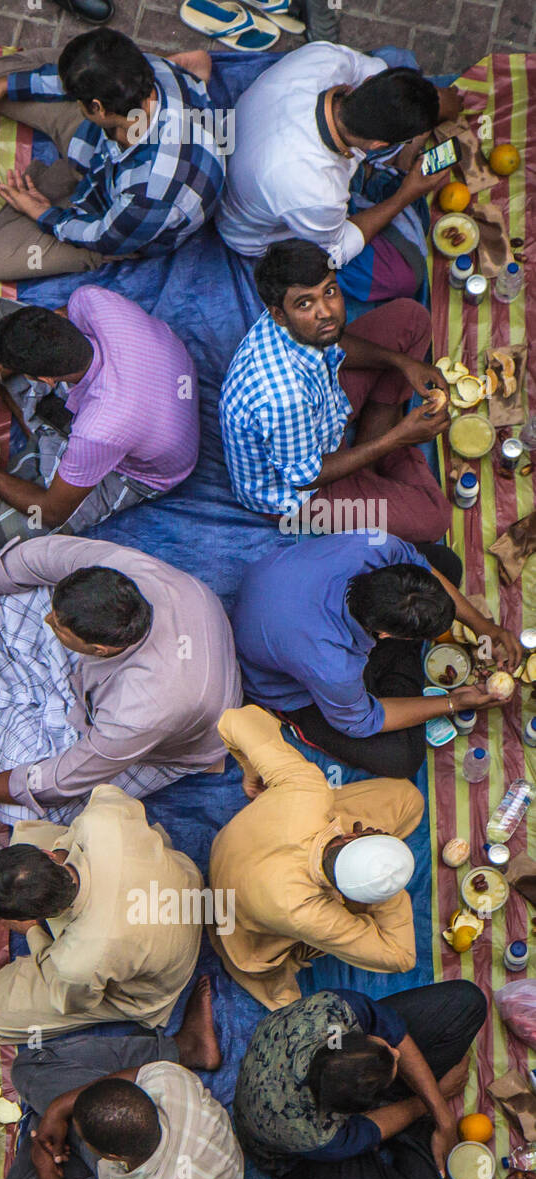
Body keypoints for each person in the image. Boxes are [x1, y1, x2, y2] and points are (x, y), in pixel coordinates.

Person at [0, 536, 240, 826]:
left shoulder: (141, 711)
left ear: (99, 650)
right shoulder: (121, 571)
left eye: (59, 627)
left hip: (166, 743)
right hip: (136, 680)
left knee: (20, 813)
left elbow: (61, 779)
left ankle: (31, 697)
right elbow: (27, 558)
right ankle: (34, 696)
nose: (49, 620)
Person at [0, 979, 241, 1179]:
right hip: (187, 1165)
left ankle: (49, 1151)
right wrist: (57, 1108)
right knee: (30, 1066)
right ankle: (187, 1047)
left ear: (111, 1158)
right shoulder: (174, 1085)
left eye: (83, 1136)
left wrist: (48, 1176)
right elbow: (141, 1074)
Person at [232, 531, 519, 779]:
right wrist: (454, 701)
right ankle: (397, 675)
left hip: (280, 590)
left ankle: (402, 667)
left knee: (444, 563)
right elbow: (365, 721)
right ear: (386, 636)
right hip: (287, 685)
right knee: (403, 757)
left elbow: (420, 564)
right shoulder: (333, 666)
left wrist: (484, 627)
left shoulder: (373, 547)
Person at [220, 239, 451, 546]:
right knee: (433, 518)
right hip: (300, 494)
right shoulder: (283, 399)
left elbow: (333, 343)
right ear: (278, 314)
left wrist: (403, 363)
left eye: (329, 292)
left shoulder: (302, 326)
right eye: (305, 303)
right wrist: (399, 437)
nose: (325, 312)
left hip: (323, 415)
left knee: (411, 318)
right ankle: (384, 454)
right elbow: (307, 477)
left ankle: (372, 455)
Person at [0, 288, 199, 554]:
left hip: (139, 469)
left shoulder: (98, 429)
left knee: (1, 529)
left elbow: (52, 511)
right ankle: (47, 436)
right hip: (153, 390)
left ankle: (46, 437)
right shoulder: (91, 299)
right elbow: (60, 316)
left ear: (48, 381)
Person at [234, 982, 487, 1179]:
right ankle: (411, 1128)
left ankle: (407, 1112)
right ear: (355, 1112)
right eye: (391, 1060)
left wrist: (444, 1118)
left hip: (327, 1095)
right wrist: (433, 1099)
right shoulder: (317, 1134)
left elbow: (395, 1036)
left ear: (343, 1040)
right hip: (297, 1157)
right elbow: (367, 1128)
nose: (397, 1052)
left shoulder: (330, 1012)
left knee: (468, 1001)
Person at [0, 31, 224, 281]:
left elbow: (102, 237)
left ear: (96, 107)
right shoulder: (152, 70)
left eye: (77, 98)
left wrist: (41, 212)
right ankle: (63, 163)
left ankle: (56, 183)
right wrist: (4, 85)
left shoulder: (150, 195)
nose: (73, 100)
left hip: (113, 217)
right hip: (101, 144)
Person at [210, 705, 422, 1010]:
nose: (376, 829)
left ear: (350, 835)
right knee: (284, 1000)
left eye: (373, 833)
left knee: (408, 799)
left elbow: (233, 718)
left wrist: (251, 769)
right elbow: (401, 957)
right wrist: (389, 890)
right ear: (345, 896)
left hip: (229, 846)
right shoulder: (309, 914)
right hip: (233, 925)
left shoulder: (308, 789)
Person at [217, 44, 463, 301]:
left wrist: (434, 102)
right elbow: (336, 250)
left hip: (257, 159)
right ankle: (394, 168)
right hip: (254, 230)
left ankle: (393, 160)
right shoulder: (316, 189)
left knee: (397, 63)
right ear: (378, 146)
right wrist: (406, 194)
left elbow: (377, 72)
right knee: (402, 276)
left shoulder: (324, 58)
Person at [0, 784, 203, 1041]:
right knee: (25, 835)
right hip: (187, 888)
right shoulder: (101, 820)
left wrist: (32, 933)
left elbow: (74, 1001)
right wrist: (65, 850)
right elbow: (108, 793)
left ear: (39, 915)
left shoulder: (79, 962)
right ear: (49, 854)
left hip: (164, 980)